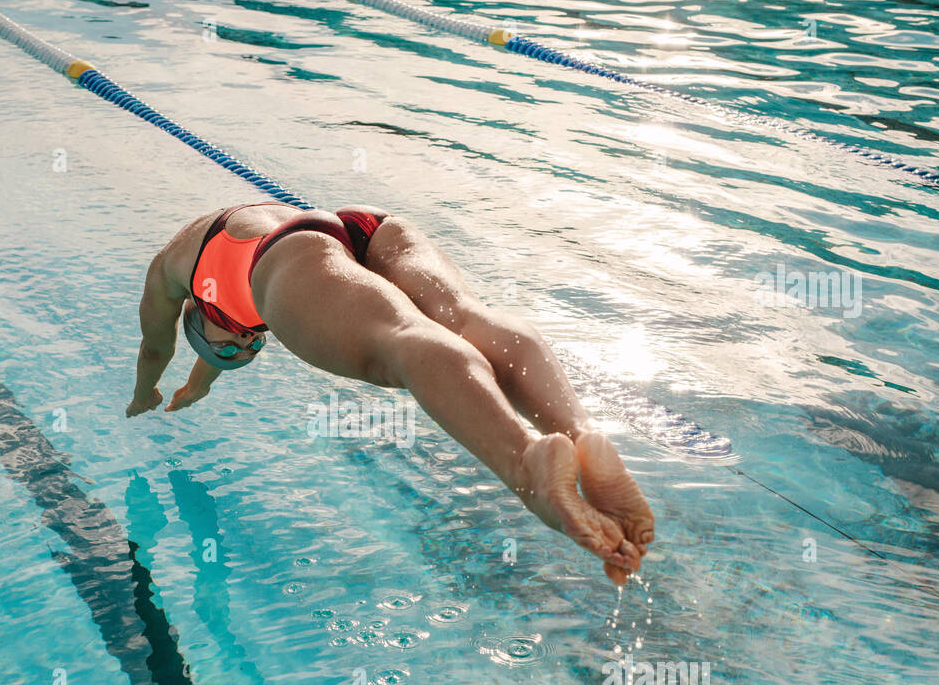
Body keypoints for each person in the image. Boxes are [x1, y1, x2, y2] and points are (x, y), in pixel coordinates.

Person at [127, 202, 654, 584]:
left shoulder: (171, 271)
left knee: (401, 343)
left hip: (288, 258)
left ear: (198, 312)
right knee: (465, 319)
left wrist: (143, 393)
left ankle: (527, 464)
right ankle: (579, 433)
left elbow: (155, 345)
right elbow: (203, 360)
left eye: (234, 344)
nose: (245, 339)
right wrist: (194, 388)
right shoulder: (199, 253)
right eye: (249, 347)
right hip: (364, 226)